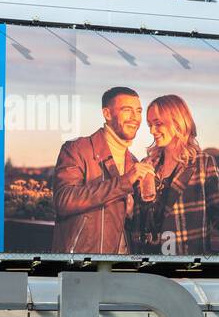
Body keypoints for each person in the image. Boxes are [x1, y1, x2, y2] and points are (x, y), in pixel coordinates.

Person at [131, 94, 219, 255]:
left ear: (177, 122)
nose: (152, 131)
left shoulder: (202, 163)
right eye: (149, 125)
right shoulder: (147, 165)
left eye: (158, 124)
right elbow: (137, 217)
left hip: (184, 259)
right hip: (145, 259)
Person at [51, 87, 156, 254]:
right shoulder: (78, 149)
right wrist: (124, 182)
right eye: (127, 110)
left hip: (121, 267)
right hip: (83, 266)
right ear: (107, 114)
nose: (135, 118)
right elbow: (64, 200)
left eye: (138, 111)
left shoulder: (134, 163)